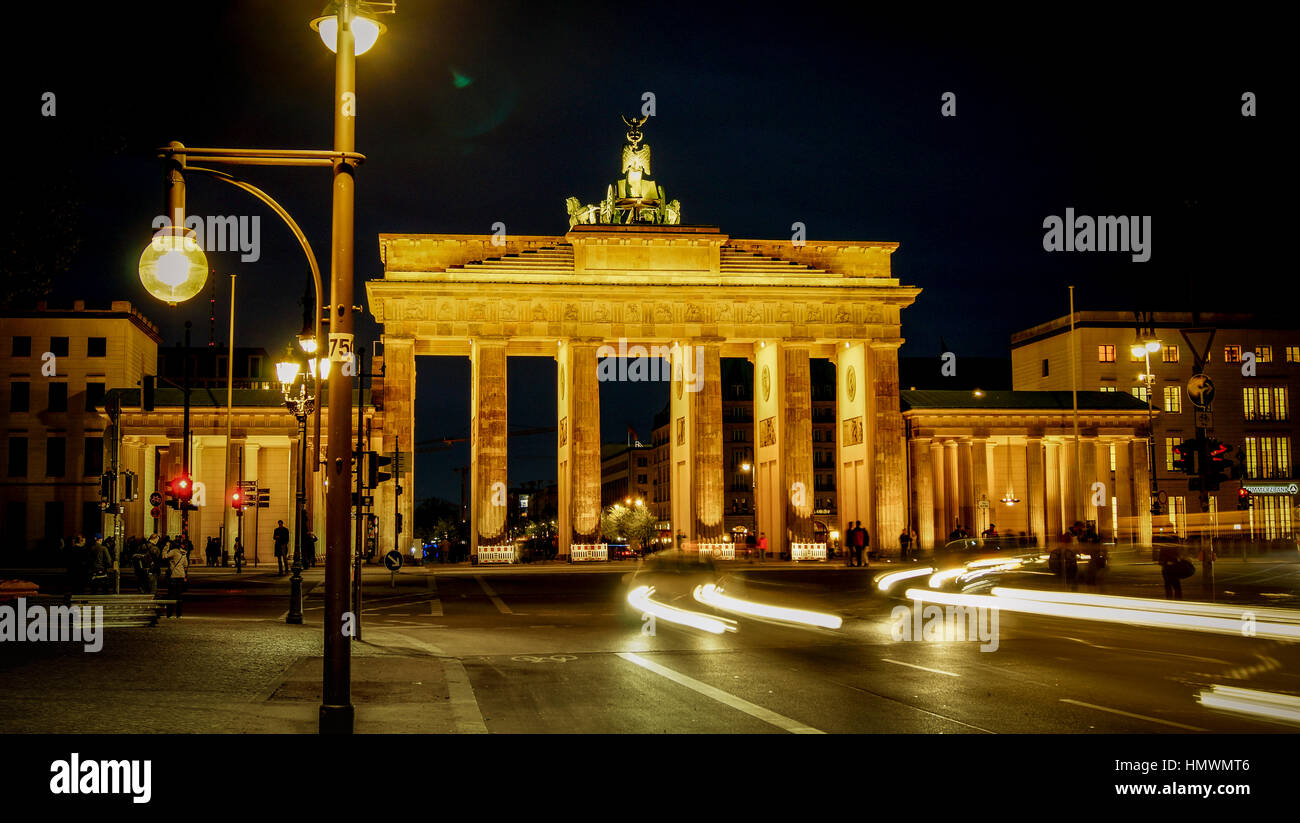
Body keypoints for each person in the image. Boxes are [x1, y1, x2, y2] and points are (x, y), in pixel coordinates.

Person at [162, 538, 189, 617]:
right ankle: (179, 614)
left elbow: (164, 556)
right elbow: (185, 565)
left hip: (173, 575)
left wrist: (166, 547)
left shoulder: (173, 551)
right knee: (179, 595)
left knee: (171, 595)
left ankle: (169, 614)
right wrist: (185, 576)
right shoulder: (184, 553)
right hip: (181, 575)